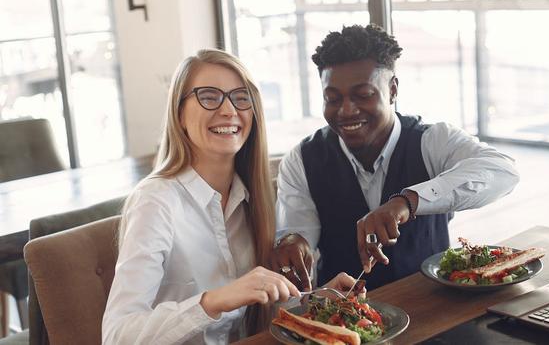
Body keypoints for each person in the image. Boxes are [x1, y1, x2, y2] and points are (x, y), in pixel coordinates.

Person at [102, 49, 360, 345]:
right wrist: (214, 301)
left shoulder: (255, 197)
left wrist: (317, 301)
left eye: (241, 97)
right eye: (209, 97)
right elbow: (117, 335)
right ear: (179, 113)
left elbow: (262, 306)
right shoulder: (155, 202)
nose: (229, 111)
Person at [272, 24, 520, 291]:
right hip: (346, 320)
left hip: (435, 306)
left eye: (363, 95)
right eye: (332, 99)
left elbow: (503, 171)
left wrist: (409, 201)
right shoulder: (302, 159)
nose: (346, 110)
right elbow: (296, 233)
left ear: (392, 90)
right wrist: (292, 243)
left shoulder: (432, 140)